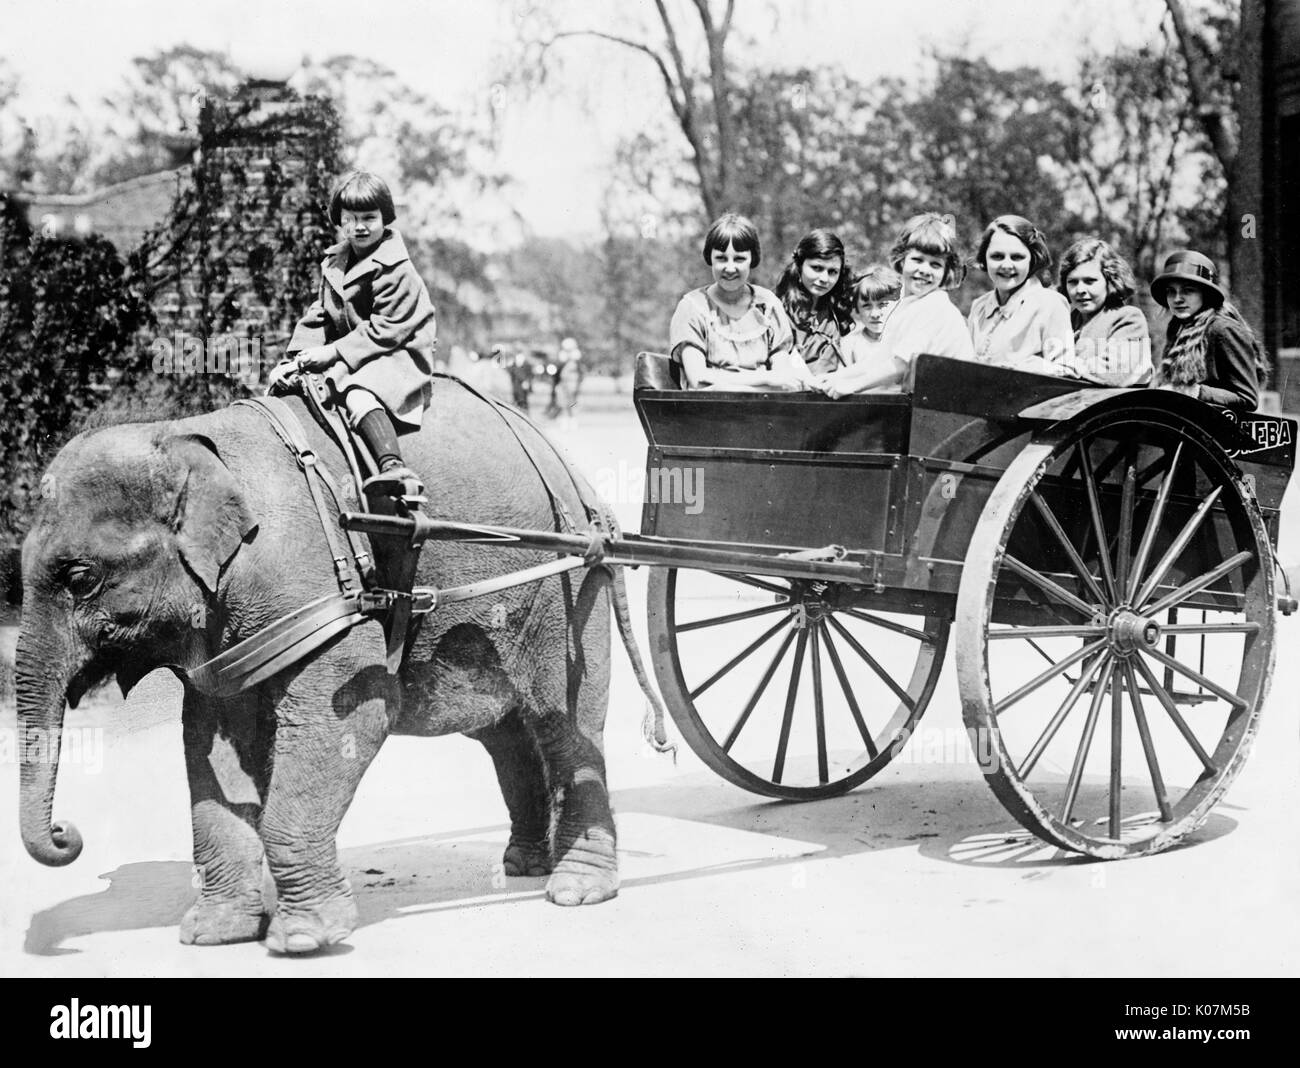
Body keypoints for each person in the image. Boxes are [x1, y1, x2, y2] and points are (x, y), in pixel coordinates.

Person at [277, 170, 437, 495]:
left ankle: (393, 466)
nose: (360, 226)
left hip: (397, 349)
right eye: (350, 219)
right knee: (286, 381)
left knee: (358, 391)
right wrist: (297, 358)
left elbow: (387, 328)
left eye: (369, 217)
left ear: (385, 218)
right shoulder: (335, 262)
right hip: (356, 349)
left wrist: (332, 353)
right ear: (340, 221)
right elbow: (321, 313)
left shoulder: (397, 269)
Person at [815, 212, 974, 397]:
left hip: (948, 406)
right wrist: (836, 377)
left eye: (935, 265)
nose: (924, 270)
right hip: (925, 403)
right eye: (917, 260)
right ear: (902, 258)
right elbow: (881, 359)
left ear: (946, 271)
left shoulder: (935, 306)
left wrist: (852, 386)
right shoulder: (907, 305)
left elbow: (900, 366)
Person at [669, 212, 803, 391]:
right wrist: (766, 379)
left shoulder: (768, 305)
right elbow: (699, 379)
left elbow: (783, 378)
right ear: (710, 258)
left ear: (752, 259)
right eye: (721, 258)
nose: (730, 268)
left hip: (765, 412)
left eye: (739, 258)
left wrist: (728, 384)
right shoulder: (692, 307)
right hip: (708, 412)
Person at [1150, 249, 1268, 410]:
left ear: (1205, 293)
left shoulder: (1223, 329)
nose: (1177, 299)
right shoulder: (1177, 328)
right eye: (1171, 291)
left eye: (1188, 290)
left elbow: (1247, 398)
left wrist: (1193, 392)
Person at [967, 214, 1076, 375]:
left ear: (1032, 259)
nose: (1006, 265)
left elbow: (1066, 369)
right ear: (985, 258)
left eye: (1017, 257)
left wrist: (1023, 369)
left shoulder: (1050, 304)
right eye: (997, 256)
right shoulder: (979, 307)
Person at [1056, 238, 1152, 386]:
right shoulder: (1067, 320)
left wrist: (1058, 366)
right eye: (1073, 282)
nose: (1080, 290)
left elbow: (1115, 373)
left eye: (1090, 281)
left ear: (1110, 281)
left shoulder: (1127, 318)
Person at [773, 229, 855, 376]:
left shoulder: (836, 317)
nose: (824, 278)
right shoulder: (776, 310)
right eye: (817, 268)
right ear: (799, 266)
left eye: (832, 272)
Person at [839, 264, 901, 368]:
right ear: (857, 309)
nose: (875, 314)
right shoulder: (849, 344)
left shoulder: (903, 339)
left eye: (883, 304)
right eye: (866, 306)